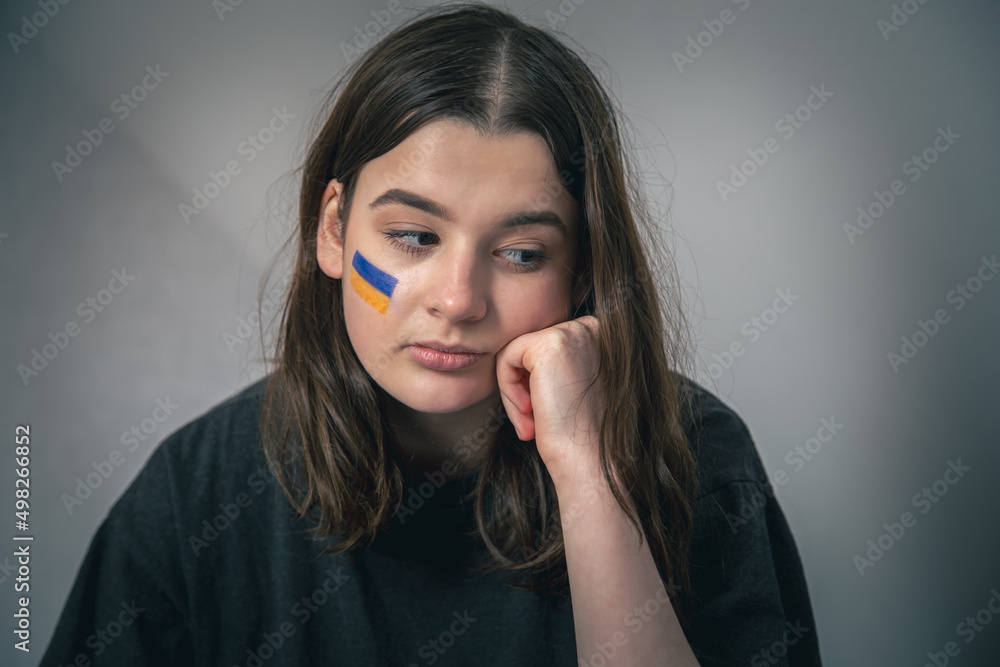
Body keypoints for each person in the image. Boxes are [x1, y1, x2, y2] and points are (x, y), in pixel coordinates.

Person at [40, 3, 822, 665]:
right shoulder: (198, 489)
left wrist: (588, 470)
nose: (457, 300)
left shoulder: (699, 455)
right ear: (336, 230)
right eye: (414, 237)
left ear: (581, 269)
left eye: (521, 253)